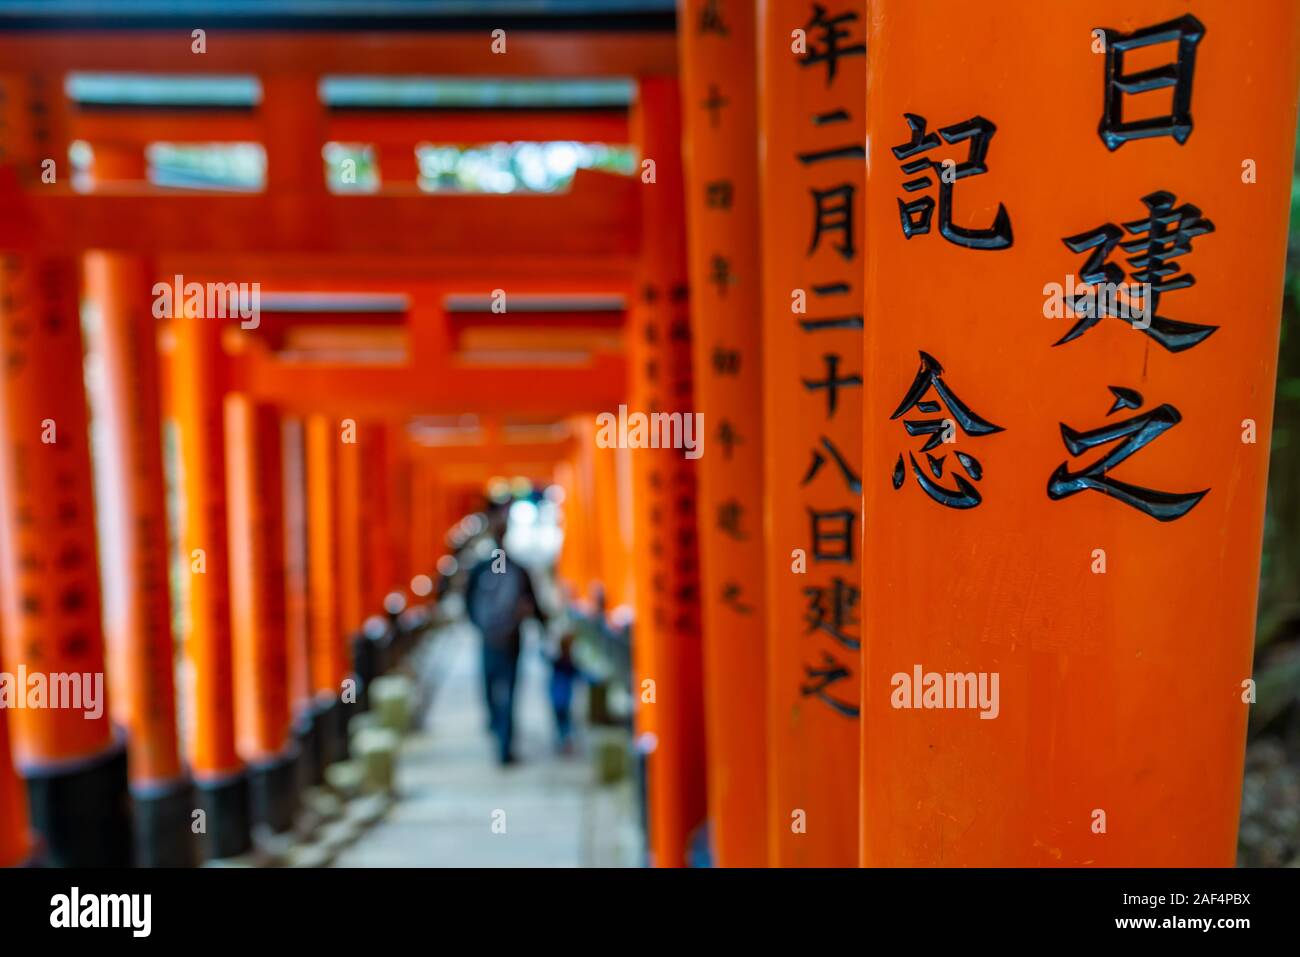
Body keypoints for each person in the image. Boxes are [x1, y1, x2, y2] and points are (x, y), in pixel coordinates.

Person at [463, 497, 544, 765]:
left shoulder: (480, 569)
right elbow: (536, 607)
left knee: (492, 687)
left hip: (491, 640)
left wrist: (481, 627)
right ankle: (504, 742)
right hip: (511, 640)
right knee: (507, 690)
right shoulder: (517, 569)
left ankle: (500, 734)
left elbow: (468, 603)